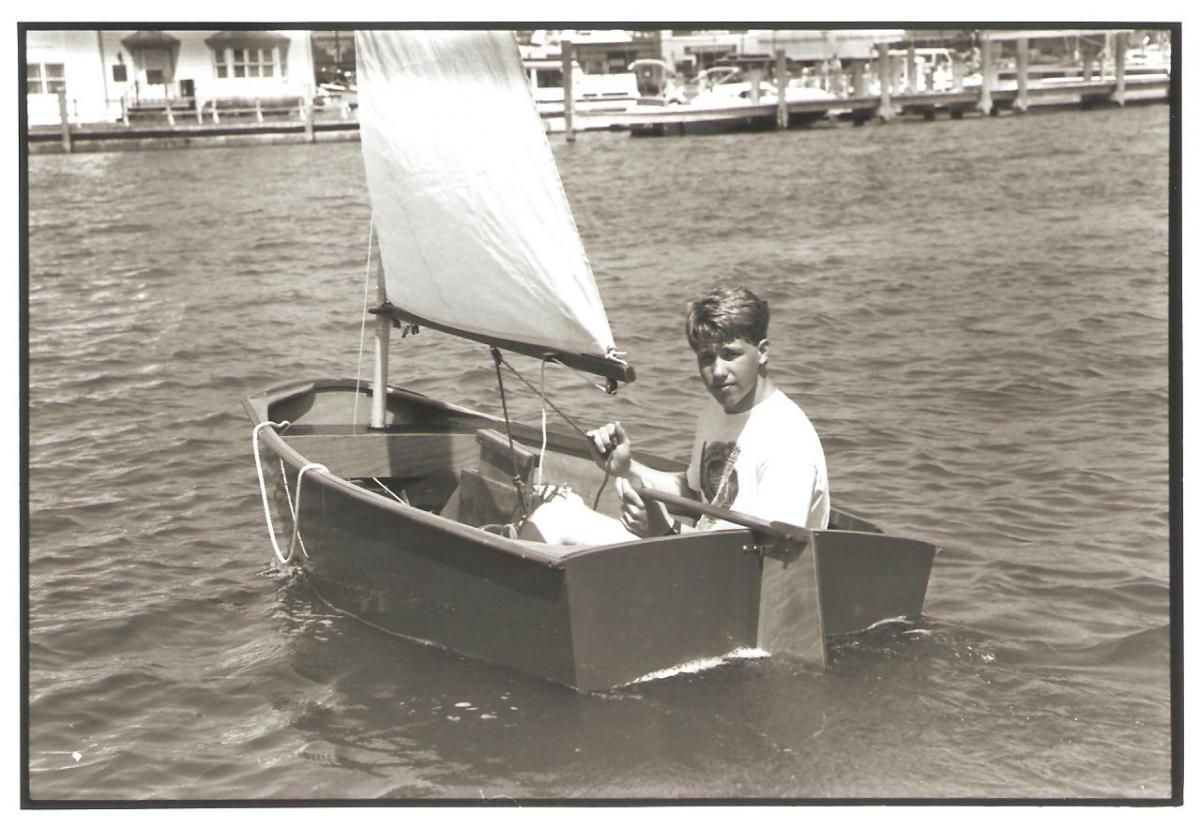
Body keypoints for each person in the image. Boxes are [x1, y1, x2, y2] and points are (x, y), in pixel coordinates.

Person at [521, 285, 829, 544]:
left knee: (557, 521)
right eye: (707, 357)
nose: (718, 372)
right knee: (556, 512)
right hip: (696, 556)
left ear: (762, 351)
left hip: (735, 590)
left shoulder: (788, 441)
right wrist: (627, 468)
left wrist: (665, 533)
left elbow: (772, 559)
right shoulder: (716, 412)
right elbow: (695, 491)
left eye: (730, 355)